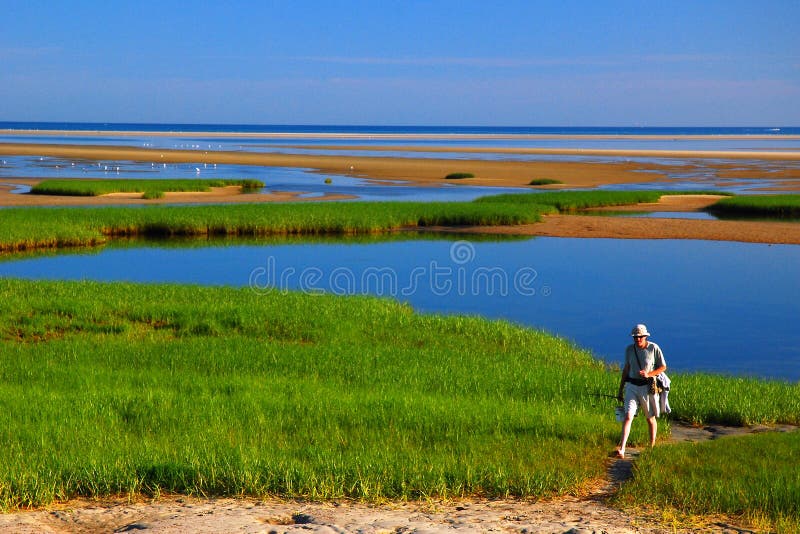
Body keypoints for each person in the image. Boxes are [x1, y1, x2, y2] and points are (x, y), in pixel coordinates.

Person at [615, 323, 667, 459]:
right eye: (635, 337)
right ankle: (622, 448)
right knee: (628, 416)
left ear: (645, 336)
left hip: (646, 387)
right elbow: (626, 369)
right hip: (631, 386)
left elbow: (663, 367)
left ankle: (651, 446)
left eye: (640, 337)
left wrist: (649, 374)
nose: (638, 339)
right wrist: (620, 389)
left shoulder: (653, 348)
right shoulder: (629, 350)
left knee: (650, 418)